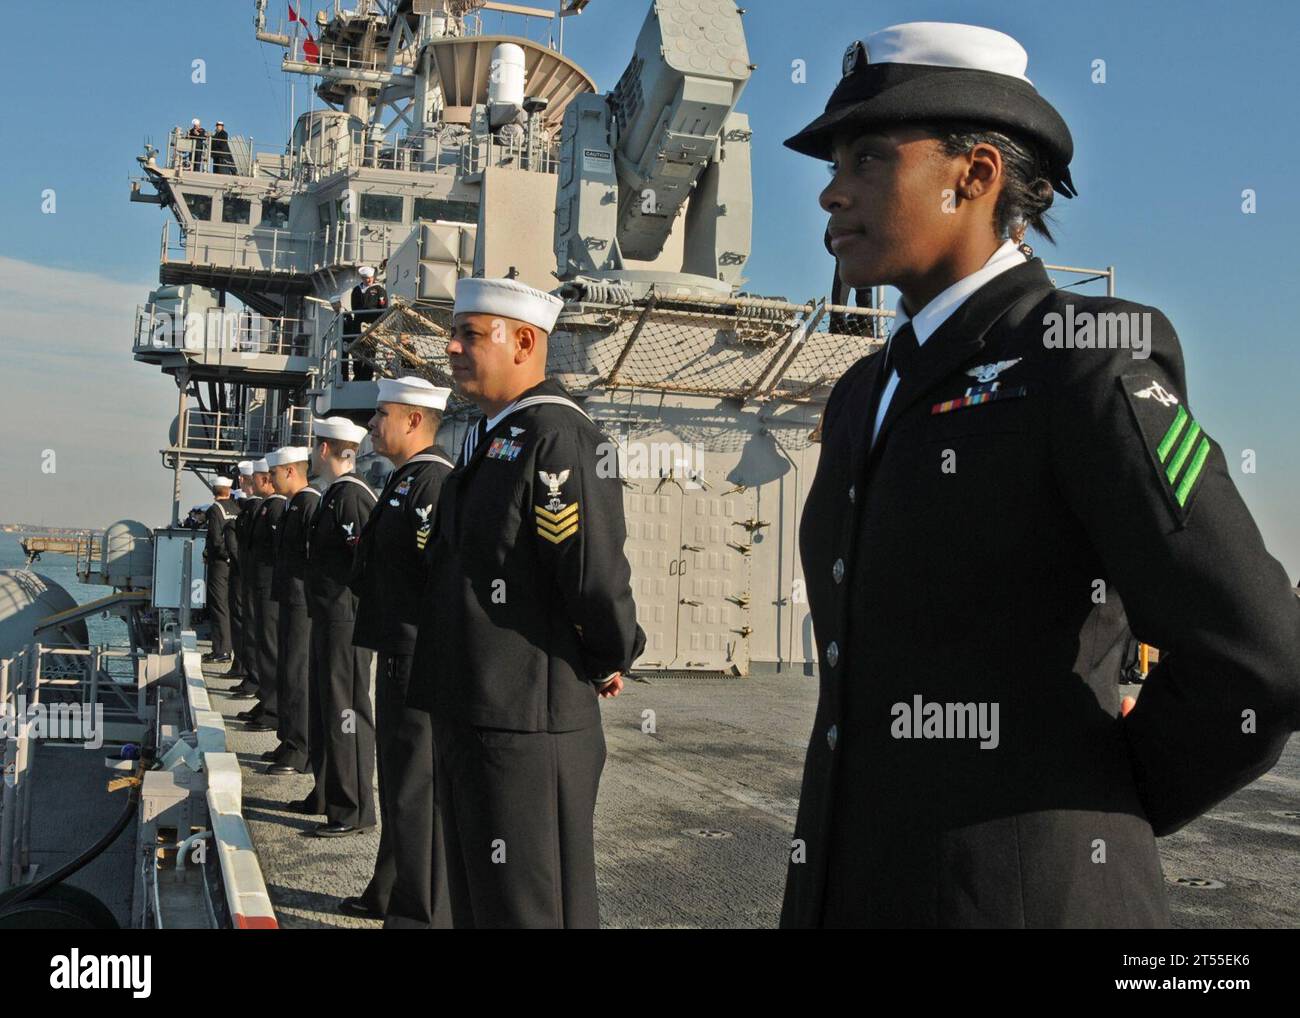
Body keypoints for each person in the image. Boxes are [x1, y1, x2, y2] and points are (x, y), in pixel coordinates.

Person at [778, 21, 1300, 928]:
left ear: (974, 175)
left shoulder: (1085, 357)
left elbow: (1259, 658)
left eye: (866, 159)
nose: (831, 191)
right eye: (834, 163)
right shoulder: (867, 388)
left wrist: (1097, 796)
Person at [409, 277, 644, 928]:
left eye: (469, 334)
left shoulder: (558, 437)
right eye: (453, 332)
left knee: (529, 911)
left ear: (523, 342)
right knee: (482, 907)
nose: (451, 346)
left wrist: (608, 656)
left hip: (525, 725)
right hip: (473, 711)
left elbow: (592, 575)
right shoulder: (490, 437)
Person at [340, 376, 455, 926]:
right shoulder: (405, 480)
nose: (371, 425)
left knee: (416, 791)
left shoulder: (432, 482)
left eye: (381, 414)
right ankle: (388, 891)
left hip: (418, 656)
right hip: (396, 648)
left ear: (413, 420)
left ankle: (422, 916)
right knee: (400, 786)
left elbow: (440, 577)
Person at [296, 416, 378, 836]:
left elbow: (365, 560)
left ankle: (353, 809)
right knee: (326, 707)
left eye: (315, 446)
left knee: (346, 709)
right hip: (328, 616)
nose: (312, 452)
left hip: (345, 619)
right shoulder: (334, 495)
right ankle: (326, 793)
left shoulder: (351, 498)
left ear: (326, 449)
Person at [265, 446, 320, 775]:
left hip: (302, 601)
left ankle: (301, 747)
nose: (270, 479)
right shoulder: (293, 505)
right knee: (287, 669)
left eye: (274, 473)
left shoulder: (309, 503)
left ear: (290, 471)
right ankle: (289, 738)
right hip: (288, 597)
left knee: (297, 673)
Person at [236, 460, 284, 732]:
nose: (249, 483)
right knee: (261, 643)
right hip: (258, 586)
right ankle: (265, 700)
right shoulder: (264, 507)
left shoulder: (275, 507)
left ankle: (272, 707)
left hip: (270, 590)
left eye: (254, 478)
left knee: (270, 647)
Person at [229, 461, 260, 693]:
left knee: (256, 632)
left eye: (244, 478)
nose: (240, 481)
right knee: (248, 629)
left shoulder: (260, 510)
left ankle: (255, 681)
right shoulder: (251, 511)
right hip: (249, 580)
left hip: (255, 581)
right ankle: (251, 677)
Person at [201, 476, 237, 663]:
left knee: (219, 605)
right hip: (235, 564)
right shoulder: (236, 509)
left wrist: (212, 554)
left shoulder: (215, 510)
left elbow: (215, 540)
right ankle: (229, 647)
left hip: (220, 564)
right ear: (229, 490)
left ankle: (221, 649)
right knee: (232, 606)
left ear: (214, 490)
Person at [341, 266, 386, 382]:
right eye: (366, 278)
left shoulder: (379, 290)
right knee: (357, 351)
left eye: (370, 278)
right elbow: (354, 307)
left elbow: (383, 307)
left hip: (372, 325)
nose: (369, 280)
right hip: (358, 324)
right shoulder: (356, 290)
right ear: (362, 278)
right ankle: (358, 375)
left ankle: (367, 376)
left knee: (370, 351)